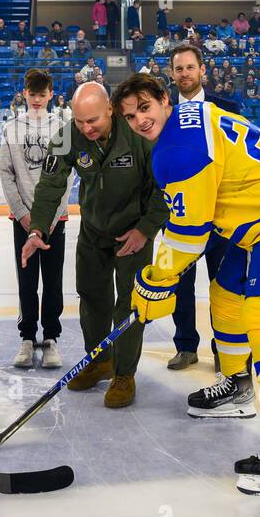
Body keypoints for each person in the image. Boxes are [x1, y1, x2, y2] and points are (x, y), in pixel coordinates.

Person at [114, 73, 260, 495]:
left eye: (145, 108)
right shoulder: (190, 115)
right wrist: (160, 281)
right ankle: (238, 386)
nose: (140, 120)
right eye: (130, 116)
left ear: (164, 100)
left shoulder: (176, 150)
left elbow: (187, 237)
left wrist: (153, 282)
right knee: (226, 292)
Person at [21, 83, 167, 409]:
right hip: (93, 231)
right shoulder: (68, 136)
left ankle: (124, 374)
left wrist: (145, 230)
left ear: (111, 110)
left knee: (128, 305)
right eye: (80, 121)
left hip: (133, 234)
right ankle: (100, 361)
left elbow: (163, 187)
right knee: (91, 296)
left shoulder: (139, 136)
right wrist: (38, 230)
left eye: (93, 121)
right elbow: (50, 184)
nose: (86, 128)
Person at [164, 44, 239, 371]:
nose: (184, 74)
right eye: (178, 69)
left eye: (190, 68)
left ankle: (224, 349)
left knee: (222, 288)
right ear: (172, 73)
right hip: (180, 215)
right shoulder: (164, 112)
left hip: (221, 218)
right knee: (181, 283)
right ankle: (185, 346)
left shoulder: (228, 108)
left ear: (202, 71)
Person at [0, 70, 72, 368]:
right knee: (27, 282)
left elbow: (67, 175)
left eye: (43, 94)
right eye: (33, 94)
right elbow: (7, 172)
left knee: (53, 283)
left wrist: (51, 217)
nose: (38, 99)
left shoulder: (64, 127)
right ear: (24, 94)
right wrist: (23, 214)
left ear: (51, 94)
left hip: (56, 220)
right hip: (23, 221)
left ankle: (50, 339)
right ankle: (27, 338)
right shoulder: (12, 128)